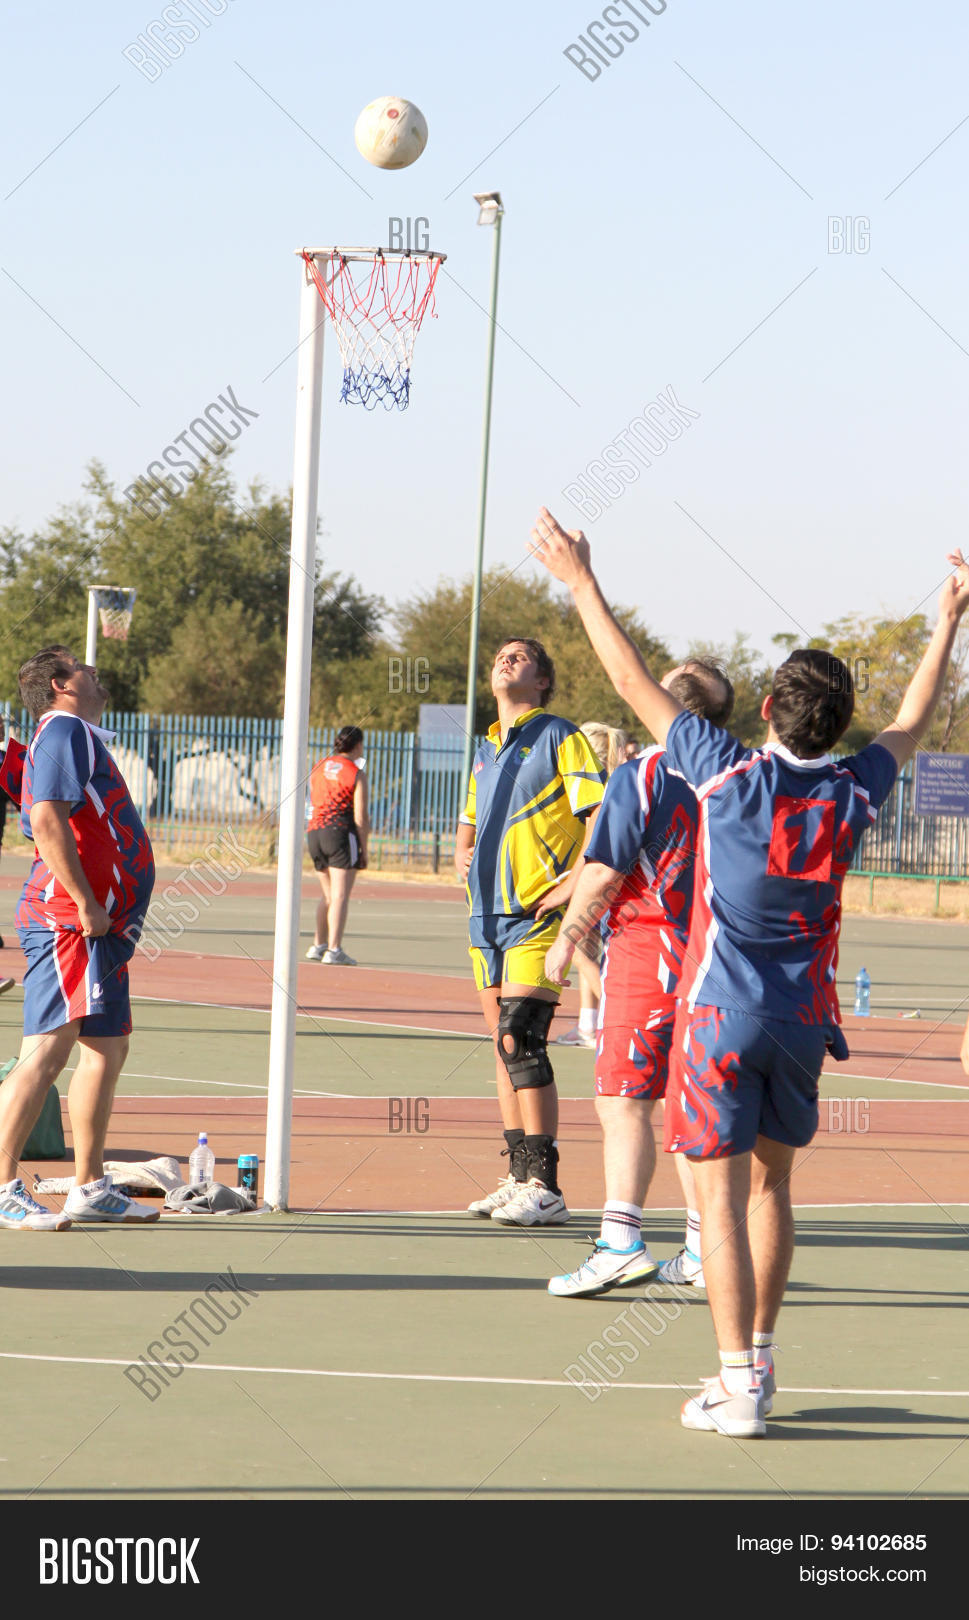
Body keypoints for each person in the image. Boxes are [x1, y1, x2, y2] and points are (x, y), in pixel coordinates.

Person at [529, 508, 969, 1437]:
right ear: (839, 724)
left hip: (719, 1016)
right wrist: (948, 623)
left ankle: (736, 1390)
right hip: (803, 1021)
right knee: (774, 1191)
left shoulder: (724, 775)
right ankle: (758, 1365)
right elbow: (911, 721)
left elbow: (627, 678)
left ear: (766, 709)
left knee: (714, 1201)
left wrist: (578, 583)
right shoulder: (853, 790)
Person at [543, 661, 734, 1299]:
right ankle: (705, 1247)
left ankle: (620, 1242)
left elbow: (601, 874)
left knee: (623, 1102)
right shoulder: (735, 775)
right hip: (718, 958)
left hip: (650, 949)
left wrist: (566, 941)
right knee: (689, 1107)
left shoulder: (643, 774)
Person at [0, 647, 159, 1229]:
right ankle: (4, 1187)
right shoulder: (65, 729)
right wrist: (88, 901)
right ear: (62, 684)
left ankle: (89, 1186)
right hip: (69, 920)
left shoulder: (77, 734)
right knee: (46, 1049)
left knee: (107, 1047)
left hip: (100, 926)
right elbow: (46, 819)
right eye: (82, 667)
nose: (94, 671)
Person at [455, 637, 605, 1226]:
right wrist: (461, 847)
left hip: (535, 916)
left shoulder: (560, 736)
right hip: (484, 915)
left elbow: (602, 815)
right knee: (502, 1047)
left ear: (542, 681)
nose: (504, 660)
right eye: (500, 655)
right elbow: (469, 818)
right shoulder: (486, 745)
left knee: (522, 1039)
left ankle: (547, 1184)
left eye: (519, 657)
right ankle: (518, 1177)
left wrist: (573, 885)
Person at [553, 721, 628, 1049]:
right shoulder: (616, 786)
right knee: (587, 948)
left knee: (579, 951)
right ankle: (587, 1024)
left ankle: (618, 1017)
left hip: (598, 879)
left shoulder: (593, 794)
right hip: (613, 880)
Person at [305, 725, 369, 966]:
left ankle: (318, 944)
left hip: (314, 832)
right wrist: (364, 849)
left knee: (328, 894)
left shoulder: (319, 767)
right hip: (340, 833)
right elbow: (361, 818)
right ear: (358, 745)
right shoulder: (355, 772)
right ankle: (334, 949)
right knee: (340, 894)